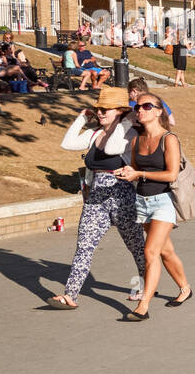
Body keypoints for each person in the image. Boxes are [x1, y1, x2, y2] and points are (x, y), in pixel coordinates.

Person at [47, 88, 147, 309]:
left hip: (123, 196)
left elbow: (112, 149)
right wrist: (82, 117)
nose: (100, 112)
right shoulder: (94, 133)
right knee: (84, 245)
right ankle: (70, 295)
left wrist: (124, 122)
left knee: (137, 246)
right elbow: (67, 143)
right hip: (96, 198)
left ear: (120, 111)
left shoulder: (129, 133)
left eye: (105, 109)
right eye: (98, 109)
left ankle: (145, 287)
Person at [113, 93, 191, 319]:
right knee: (165, 251)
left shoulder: (170, 139)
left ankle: (143, 306)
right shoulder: (136, 140)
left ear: (159, 111)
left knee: (150, 251)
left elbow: (172, 174)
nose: (141, 110)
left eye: (147, 106)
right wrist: (129, 173)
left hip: (163, 201)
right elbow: (137, 173)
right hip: (142, 201)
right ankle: (185, 288)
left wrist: (139, 173)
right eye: (138, 107)